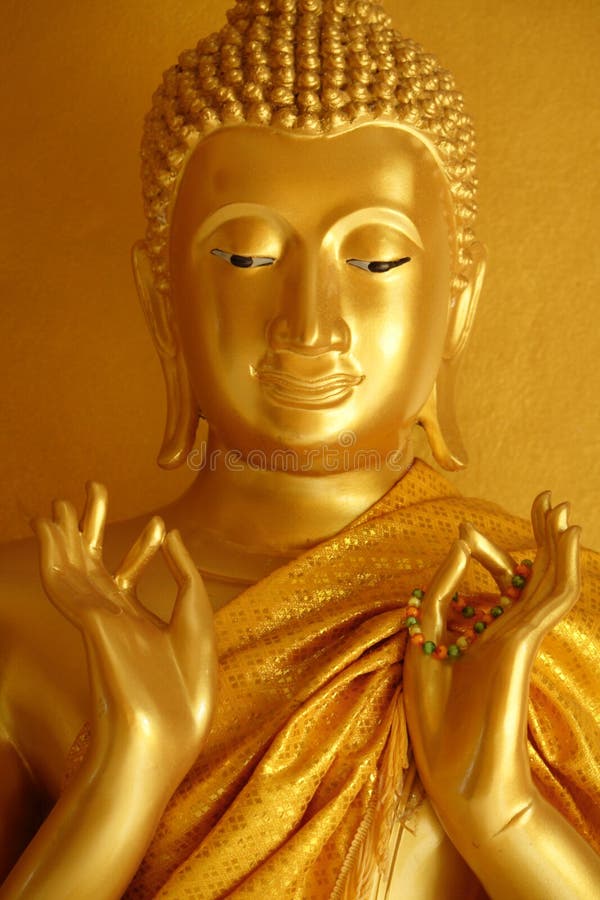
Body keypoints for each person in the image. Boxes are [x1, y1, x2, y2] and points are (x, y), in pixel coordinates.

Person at [1, 1, 599, 897]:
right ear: (163, 303)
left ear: (457, 308)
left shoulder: (544, 623)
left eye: (377, 261)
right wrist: (123, 779)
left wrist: (504, 818)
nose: (309, 326)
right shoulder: (27, 614)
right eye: (246, 258)